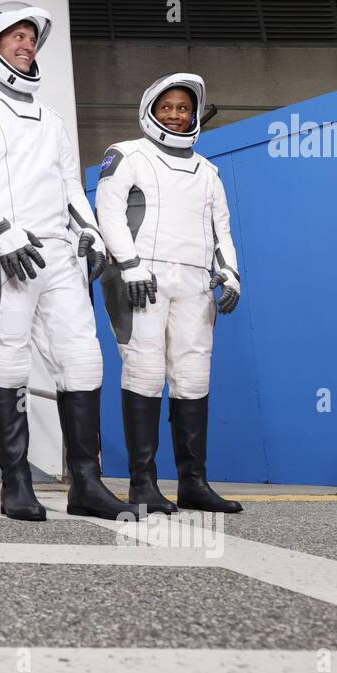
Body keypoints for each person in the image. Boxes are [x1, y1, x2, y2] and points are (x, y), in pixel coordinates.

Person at [0, 2, 127, 522]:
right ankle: (15, 482)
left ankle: (86, 481)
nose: (25, 45)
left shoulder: (51, 119)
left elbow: (71, 187)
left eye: (30, 38)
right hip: (1, 254)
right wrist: (1, 231)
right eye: (13, 37)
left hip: (58, 255)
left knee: (83, 359)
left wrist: (90, 231)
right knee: (7, 358)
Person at [95, 72, 243, 514]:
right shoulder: (126, 154)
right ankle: (143, 485)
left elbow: (223, 231)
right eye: (168, 107)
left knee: (193, 377)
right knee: (144, 372)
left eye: (184, 108)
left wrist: (230, 274)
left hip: (197, 283)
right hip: (143, 279)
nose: (177, 116)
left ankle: (193, 482)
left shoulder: (209, 171)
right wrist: (129, 264)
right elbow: (108, 212)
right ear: (151, 110)